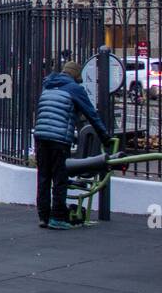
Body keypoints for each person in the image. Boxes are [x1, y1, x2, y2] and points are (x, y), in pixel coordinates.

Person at [33, 60, 112, 230]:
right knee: (59, 178)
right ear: (76, 76)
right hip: (59, 139)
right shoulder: (75, 89)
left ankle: (43, 216)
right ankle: (58, 217)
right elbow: (91, 114)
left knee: (43, 177)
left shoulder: (48, 86)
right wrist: (105, 137)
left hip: (40, 135)